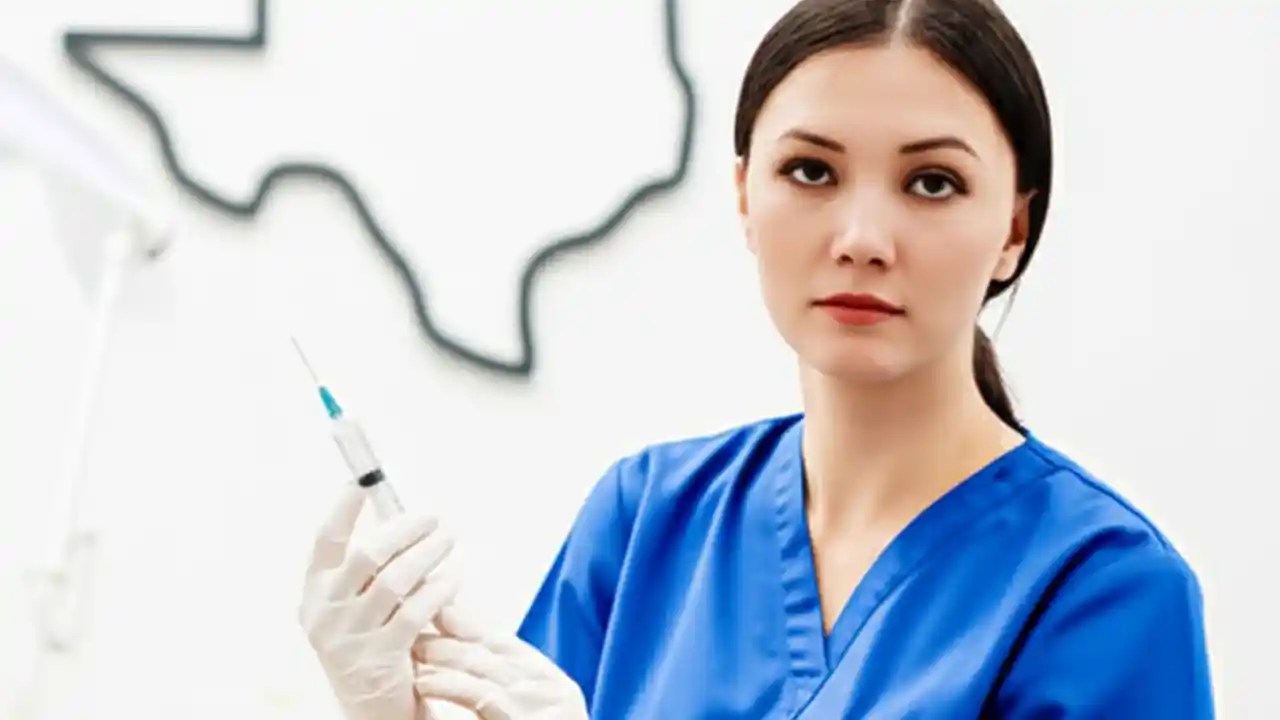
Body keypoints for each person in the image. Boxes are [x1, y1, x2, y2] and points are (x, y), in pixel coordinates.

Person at [300, 0, 1216, 717]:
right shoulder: (645, 521)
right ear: (744, 194)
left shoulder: (1104, 591)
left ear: (1013, 229)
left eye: (931, 183)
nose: (862, 238)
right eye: (811, 171)